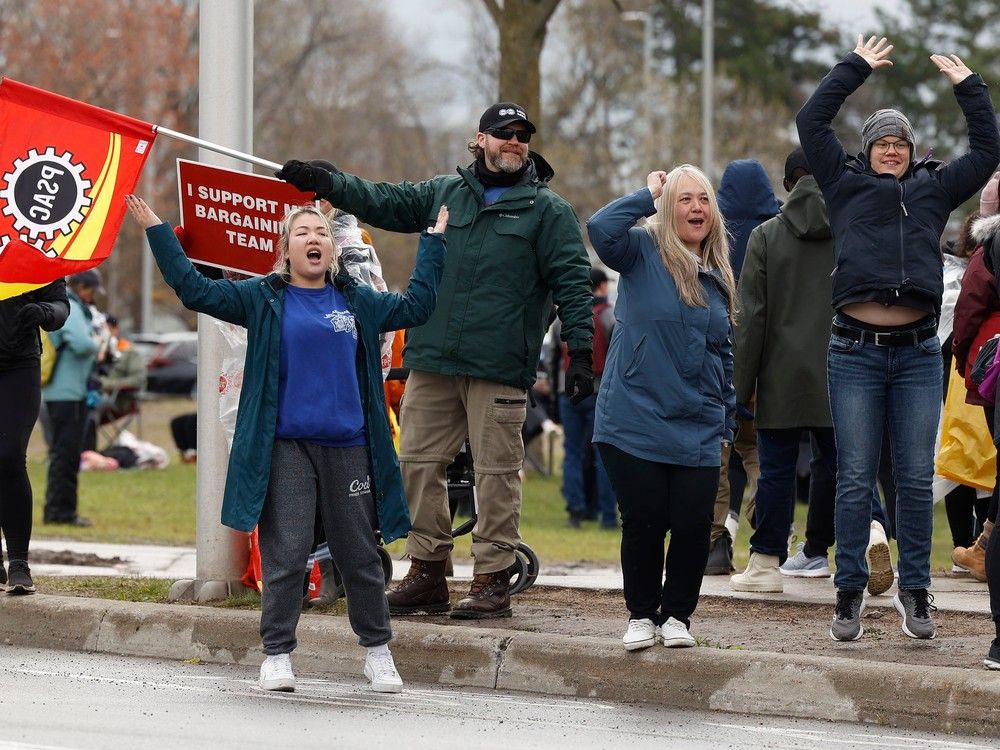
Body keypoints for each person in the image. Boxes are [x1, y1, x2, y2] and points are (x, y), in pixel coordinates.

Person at [276, 102, 595, 619]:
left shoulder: (548, 211)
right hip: (433, 358)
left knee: (496, 473)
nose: (514, 142)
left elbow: (574, 285)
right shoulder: (443, 193)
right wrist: (328, 183)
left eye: (522, 135)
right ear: (481, 140)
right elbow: (381, 200)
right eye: (504, 133)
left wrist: (580, 352)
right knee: (418, 465)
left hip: (498, 365)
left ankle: (492, 578)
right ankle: (427, 571)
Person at [125, 194, 447, 694]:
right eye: (302, 233)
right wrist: (157, 230)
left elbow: (418, 307)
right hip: (286, 447)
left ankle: (378, 653)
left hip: (349, 446)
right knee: (287, 553)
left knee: (360, 556)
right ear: (286, 249)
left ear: (331, 249)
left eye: (321, 233)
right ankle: (276, 656)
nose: (313, 239)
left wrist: (433, 242)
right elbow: (193, 290)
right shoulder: (262, 297)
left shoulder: (357, 300)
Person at [796, 35, 1000, 642]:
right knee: (855, 477)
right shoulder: (843, 183)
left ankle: (915, 592)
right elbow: (811, 121)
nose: (892, 150)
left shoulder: (935, 188)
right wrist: (854, 68)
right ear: (868, 151)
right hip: (853, 352)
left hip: (915, 355)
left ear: (912, 152)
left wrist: (970, 89)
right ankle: (848, 594)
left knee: (913, 481)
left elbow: (987, 149)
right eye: (882, 142)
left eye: (901, 143)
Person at [587, 165, 736, 651]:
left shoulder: (717, 272)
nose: (696, 208)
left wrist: (726, 413)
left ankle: (676, 617)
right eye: (684, 199)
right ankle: (641, 615)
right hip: (633, 415)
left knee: (693, 525)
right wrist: (648, 194)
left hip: (698, 421)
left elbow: (722, 350)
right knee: (646, 520)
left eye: (704, 199)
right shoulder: (641, 250)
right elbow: (600, 228)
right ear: (667, 208)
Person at [728, 147, 890, 592]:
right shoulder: (853, 229)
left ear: (787, 185)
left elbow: (751, 319)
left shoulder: (765, 236)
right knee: (848, 467)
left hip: (780, 377)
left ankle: (765, 564)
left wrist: (738, 390)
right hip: (846, 369)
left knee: (776, 471)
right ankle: (871, 532)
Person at [0, 280, 69, 594]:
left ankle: (19, 562)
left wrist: (44, 311)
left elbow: (61, 306)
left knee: (9, 456)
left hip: (18, 364)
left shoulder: (33, 252)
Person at [945, 209, 994, 577]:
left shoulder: (980, 259)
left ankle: (975, 545)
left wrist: (962, 360)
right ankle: (980, 546)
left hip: (979, 370)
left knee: (961, 463)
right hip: (984, 370)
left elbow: (966, 314)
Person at [42, 269, 104, 528]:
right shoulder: (72, 307)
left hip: (61, 392)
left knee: (62, 452)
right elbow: (82, 343)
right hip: (67, 394)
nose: (93, 296)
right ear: (81, 287)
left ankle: (58, 509)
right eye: (91, 290)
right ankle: (61, 511)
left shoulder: (70, 306)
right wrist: (98, 341)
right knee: (66, 454)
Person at [559, 267, 617, 530]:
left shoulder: (566, 318)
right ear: (602, 286)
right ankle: (607, 516)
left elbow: (555, 357)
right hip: (599, 391)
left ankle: (576, 510)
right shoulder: (608, 316)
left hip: (569, 392)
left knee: (571, 453)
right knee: (602, 454)